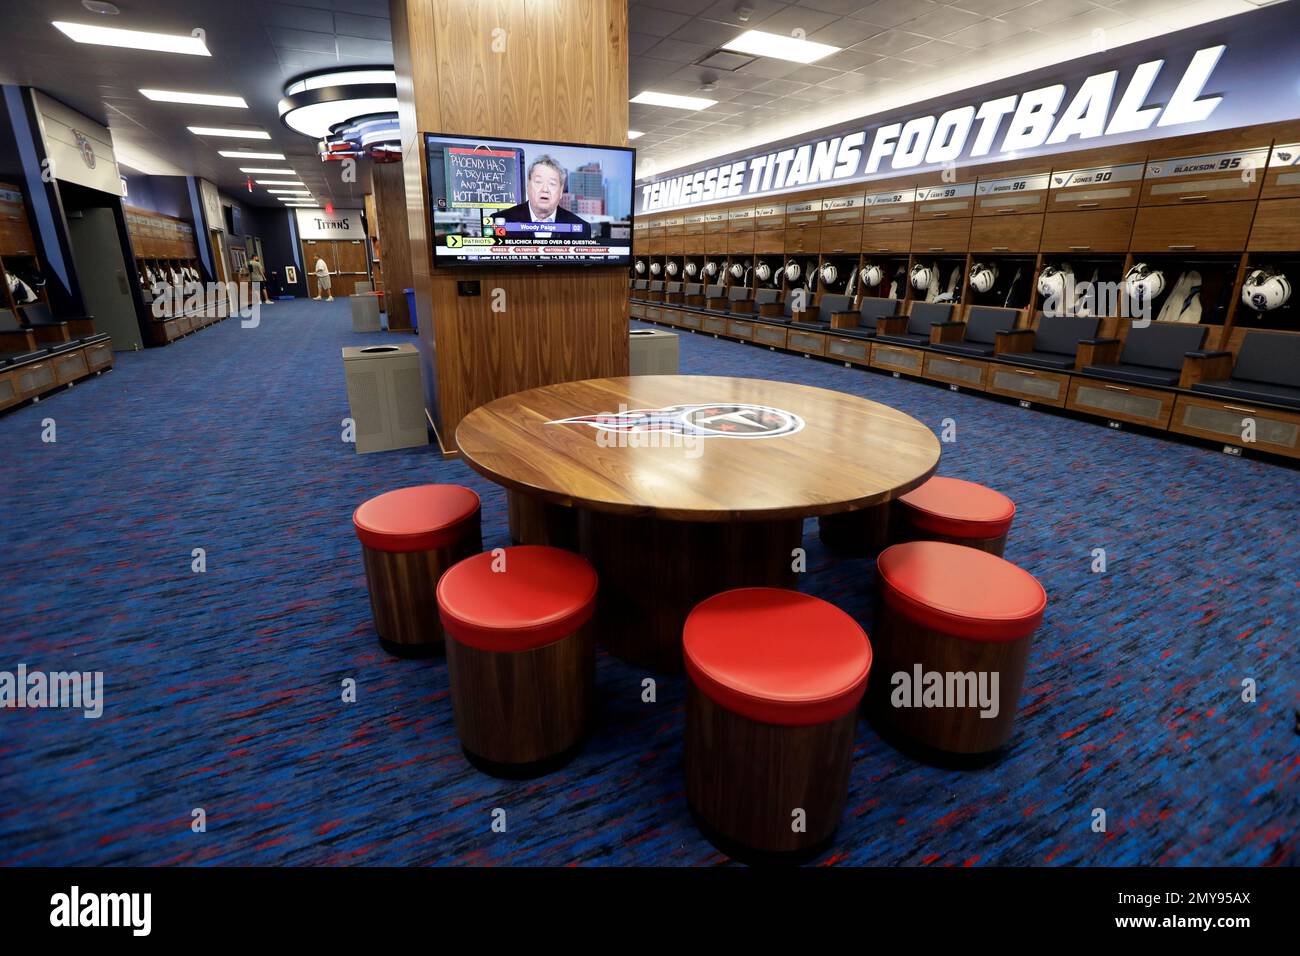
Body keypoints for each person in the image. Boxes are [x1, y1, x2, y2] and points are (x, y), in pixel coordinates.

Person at [494, 155, 588, 237]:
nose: (545, 189)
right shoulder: (501, 220)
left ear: (561, 191)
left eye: (552, 183)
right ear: (528, 186)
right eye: (538, 182)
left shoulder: (580, 227)